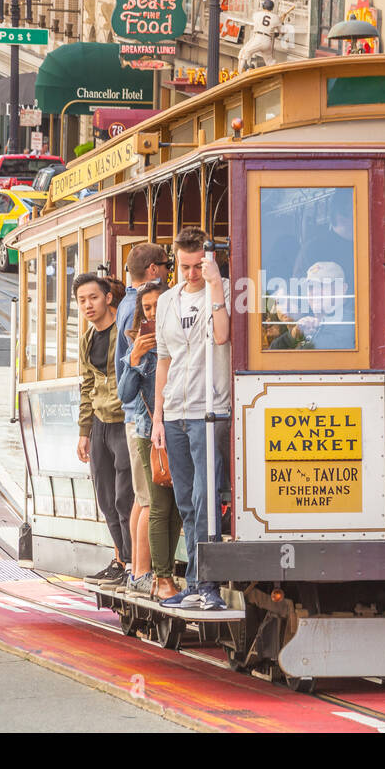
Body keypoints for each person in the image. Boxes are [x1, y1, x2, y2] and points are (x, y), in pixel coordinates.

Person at [151, 227, 231, 611]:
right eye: (184, 266)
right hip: (177, 412)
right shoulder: (167, 301)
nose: (191, 273)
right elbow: (163, 360)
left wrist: (215, 286)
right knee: (185, 500)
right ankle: (197, 581)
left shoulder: (226, 290)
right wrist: (158, 418)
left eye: (197, 265)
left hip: (209, 410)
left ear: (209, 259)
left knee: (205, 497)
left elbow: (221, 337)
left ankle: (207, 583)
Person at [117, 279, 183, 601]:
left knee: (177, 508)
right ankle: (162, 577)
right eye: (147, 308)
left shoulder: (178, 337)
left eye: (159, 306)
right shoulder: (138, 346)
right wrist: (134, 362)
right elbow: (125, 395)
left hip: (181, 427)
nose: (154, 312)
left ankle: (165, 572)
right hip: (149, 432)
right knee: (158, 503)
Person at [73, 273, 134, 586]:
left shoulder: (123, 331)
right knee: (106, 498)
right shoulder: (86, 338)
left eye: (93, 298)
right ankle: (121, 560)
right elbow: (87, 385)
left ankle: (134, 563)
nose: (88, 305)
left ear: (108, 298)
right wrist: (84, 431)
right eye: (82, 300)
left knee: (126, 498)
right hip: (99, 424)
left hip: (125, 421)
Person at [270, 260, 356, 350]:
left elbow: (300, 359)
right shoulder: (317, 325)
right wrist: (294, 334)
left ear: (342, 289)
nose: (315, 291)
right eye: (311, 287)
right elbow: (271, 353)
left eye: (322, 285)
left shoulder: (349, 324)